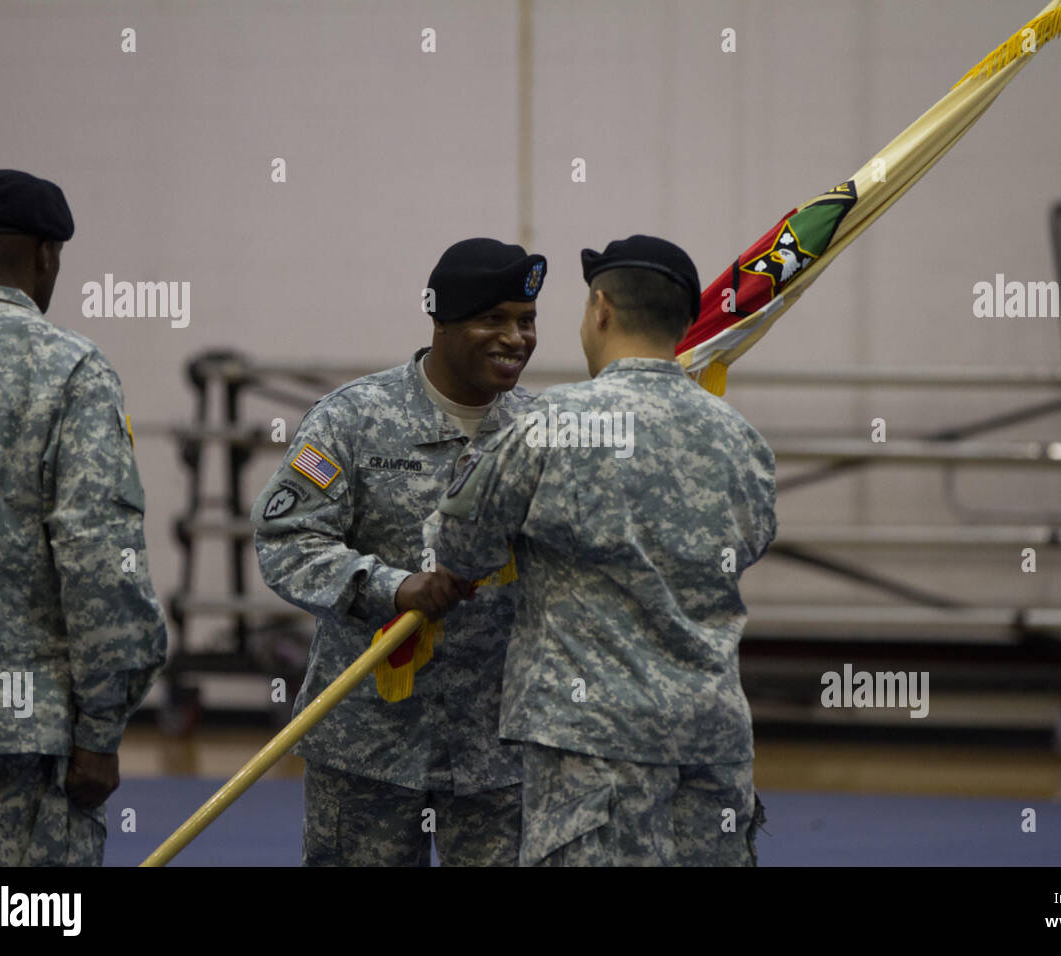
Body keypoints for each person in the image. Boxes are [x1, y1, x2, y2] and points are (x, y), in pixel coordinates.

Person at [426, 235, 776, 866]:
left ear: (601, 308)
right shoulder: (741, 438)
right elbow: (751, 543)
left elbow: (460, 547)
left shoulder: (547, 423)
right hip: (712, 735)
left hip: (592, 745)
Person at [252, 238, 546, 866]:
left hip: (497, 752)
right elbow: (288, 540)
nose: (515, 338)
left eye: (526, 321)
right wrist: (390, 585)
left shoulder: (541, 434)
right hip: (368, 747)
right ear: (441, 321)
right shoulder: (352, 420)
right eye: (492, 319)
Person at [0, 170, 168, 866]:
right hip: (21, 732)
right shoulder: (70, 371)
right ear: (47, 256)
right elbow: (101, 561)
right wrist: (102, 726)